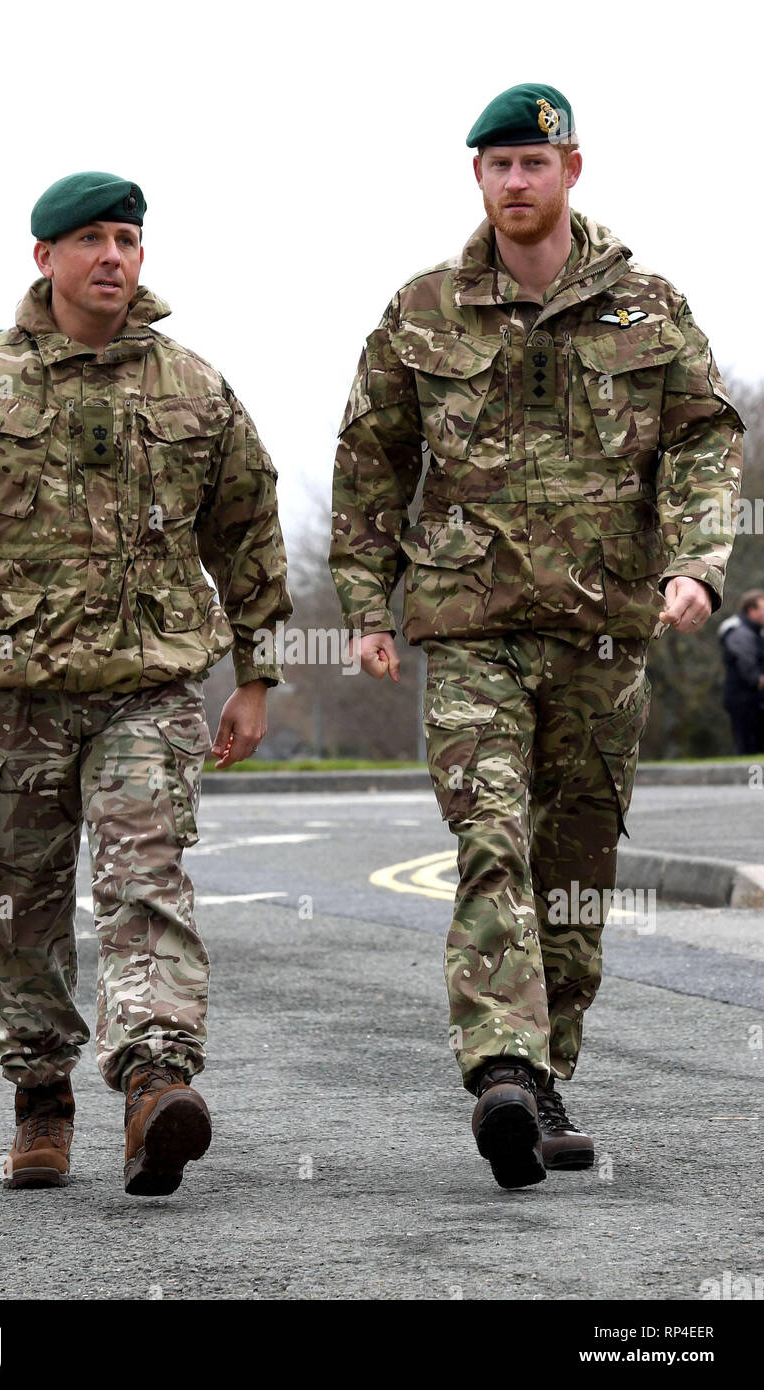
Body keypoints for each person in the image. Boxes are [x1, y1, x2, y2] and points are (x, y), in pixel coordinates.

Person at [329, 85, 743, 1189]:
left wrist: (694, 562)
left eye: (533, 162)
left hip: (605, 634)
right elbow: (369, 464)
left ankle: (543, 1078)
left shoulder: (646, 306)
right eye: (497, 165)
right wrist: (366, 606)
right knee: (489, 837)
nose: (515, 181)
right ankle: (499, 1067)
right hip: (470, 631)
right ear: (477, 179)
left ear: (571, 170)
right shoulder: (421, 310)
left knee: (572, 868)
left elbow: (703, 443)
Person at [0, 172, 291, 1196]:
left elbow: (249, 530)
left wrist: (257, 673)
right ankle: (40, 1096)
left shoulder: (193, 388)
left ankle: (153, 1083)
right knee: (16, 914)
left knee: (147, 886)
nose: (112, 256)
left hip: (146, 694)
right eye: (89, 238)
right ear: (42, 257)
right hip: (5, 701)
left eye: (127, 238)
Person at [719, 590, 764, 754]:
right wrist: (759, 680)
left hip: (752, 699)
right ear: (752, 610)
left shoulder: (754, 631)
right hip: (743, 700)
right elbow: (747, 665)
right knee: (748, 748)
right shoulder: (740, 632)